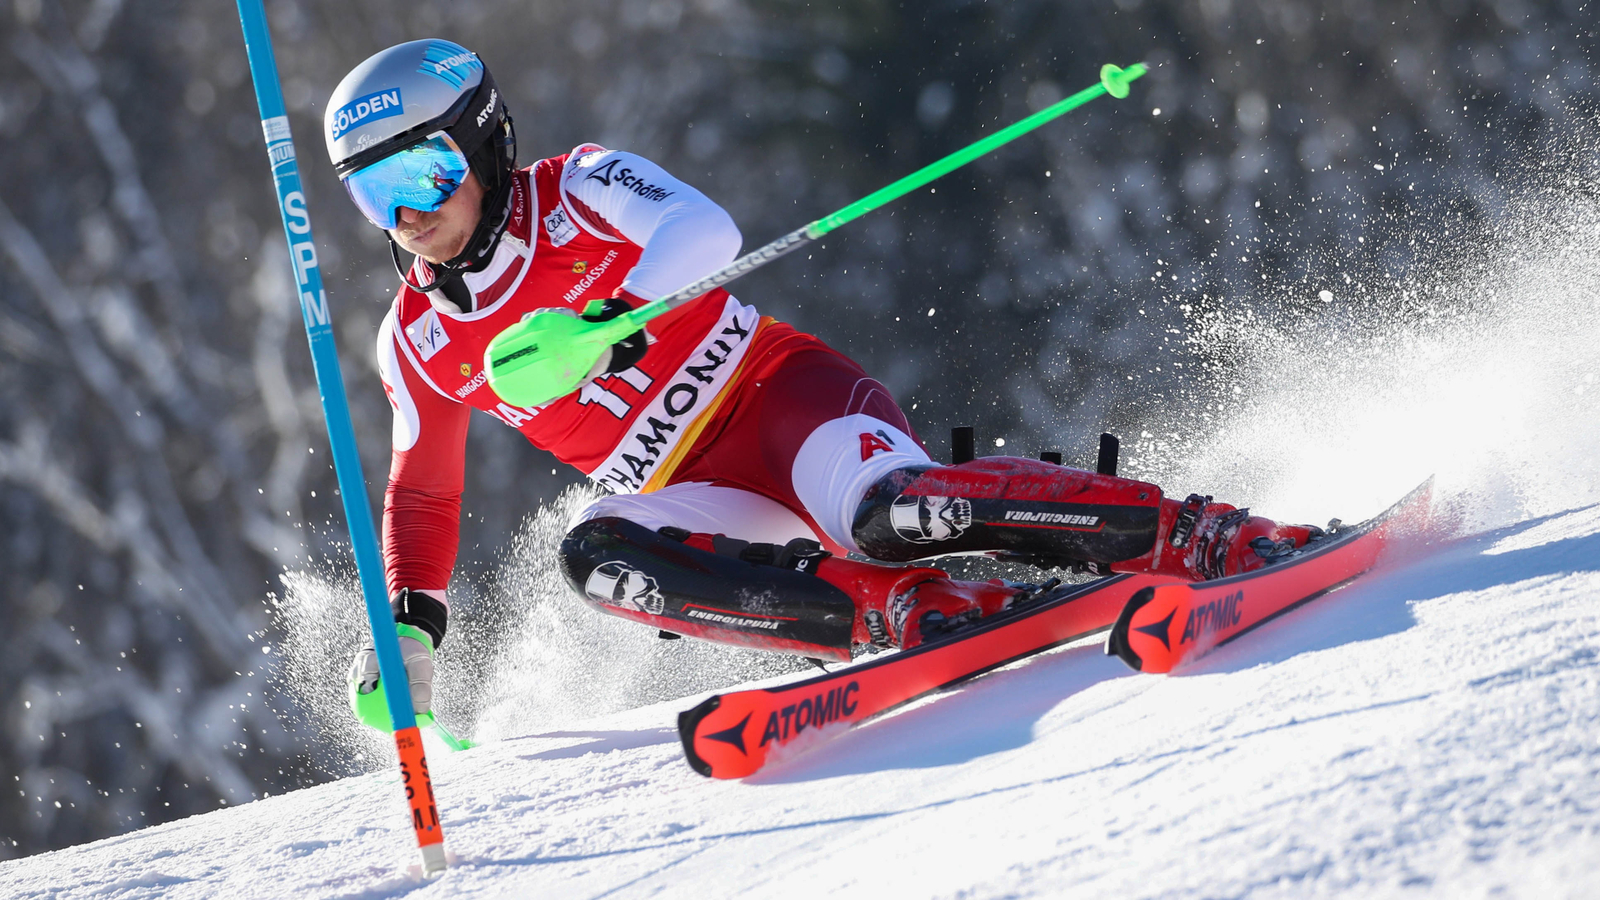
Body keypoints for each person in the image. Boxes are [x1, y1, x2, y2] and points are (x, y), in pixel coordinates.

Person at [328, 40, 1318, 723]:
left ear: (486, 138)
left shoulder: (580, 186)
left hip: (779, 402)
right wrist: (406, 623)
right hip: (691, 488)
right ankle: (896, 615)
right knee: (597, 555)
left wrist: (602, 325)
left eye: (422, 171)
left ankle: (1191, 532)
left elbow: (702, 232)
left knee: (891, 515)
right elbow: (423, 489)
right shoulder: (413, 342)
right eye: (376, 192)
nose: (406, 212)